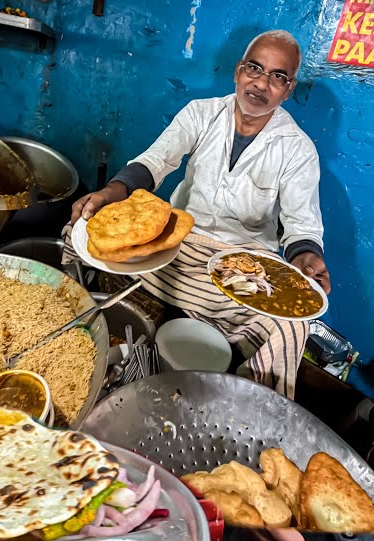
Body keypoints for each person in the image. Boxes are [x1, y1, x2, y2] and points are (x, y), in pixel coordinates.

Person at [67, 30, 324, 400]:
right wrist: (111, 191)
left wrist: (306, 256)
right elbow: (157, 161)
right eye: (255, 68)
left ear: (288, 88)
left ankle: (247, 412)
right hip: (180, 245)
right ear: (238, 71)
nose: (262, 83)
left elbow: (302, 225)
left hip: (245, 265)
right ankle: (76, 336)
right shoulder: (201, 113)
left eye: (277, 76)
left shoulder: (298, 150)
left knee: (290, 327)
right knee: (78, 229)